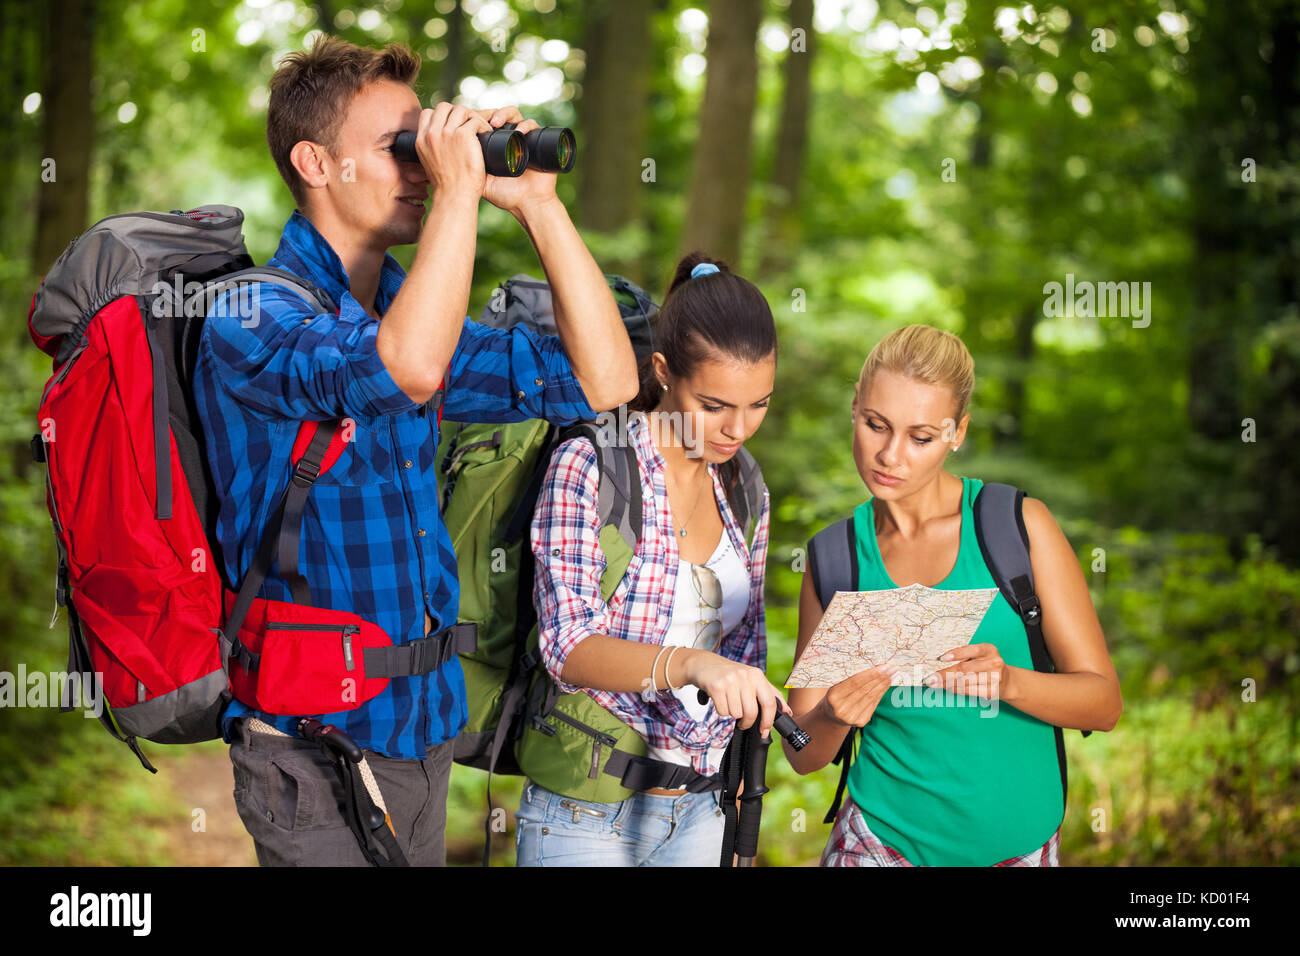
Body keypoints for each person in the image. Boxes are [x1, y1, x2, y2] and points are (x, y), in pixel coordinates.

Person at [191, 35, 637, 866]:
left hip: (424, 727)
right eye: (399, 148)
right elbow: (404, 369)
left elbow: (604, 380)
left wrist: (538, 204)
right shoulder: (247, 313)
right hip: (311, 741)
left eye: (425, 144)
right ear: (315, 163)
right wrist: (462, 198)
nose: (426, 168)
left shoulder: (402, 308)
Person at [782, 324, 1122, 867]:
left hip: (1020, 850)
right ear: (854, 410)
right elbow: (801, 753)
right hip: (878, 846)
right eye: (875, 425)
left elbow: (1103, 704)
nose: (890, 455)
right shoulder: (835, 557)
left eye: (921, 438)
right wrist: (833, 715)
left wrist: (1007, 681)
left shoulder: (1016, 528)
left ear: (957, 432)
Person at [518, 252, 789, 866]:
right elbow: (566, 647)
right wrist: (693, 666)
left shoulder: (745, 483)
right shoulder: (593, 464)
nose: (738, 429)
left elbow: (746, 644)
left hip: (701, 809)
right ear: (664, 371)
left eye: (759, 404)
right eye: (715, 405)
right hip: (584, 812)